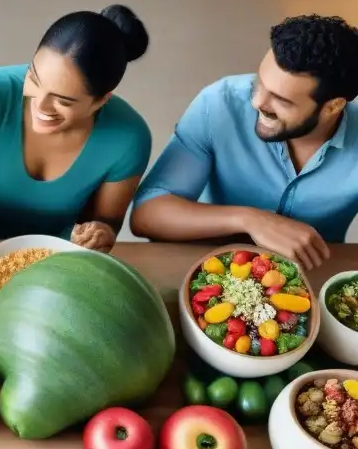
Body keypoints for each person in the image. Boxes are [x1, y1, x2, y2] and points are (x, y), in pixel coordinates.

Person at [0, 5, 152, 314]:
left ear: (101, 100)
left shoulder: (129, 136)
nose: (40, 105)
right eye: (33, 79)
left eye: (63, 101)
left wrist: (101, 233)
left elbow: (104, 220)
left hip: (51, 271)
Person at [130, 14, 358, 270]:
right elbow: (147, 215)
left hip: (317, 275)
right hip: (212, 270)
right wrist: (250, 219)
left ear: (333, 106)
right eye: (260, 82)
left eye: (281, 100)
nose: (257, 103)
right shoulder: (219, 104)